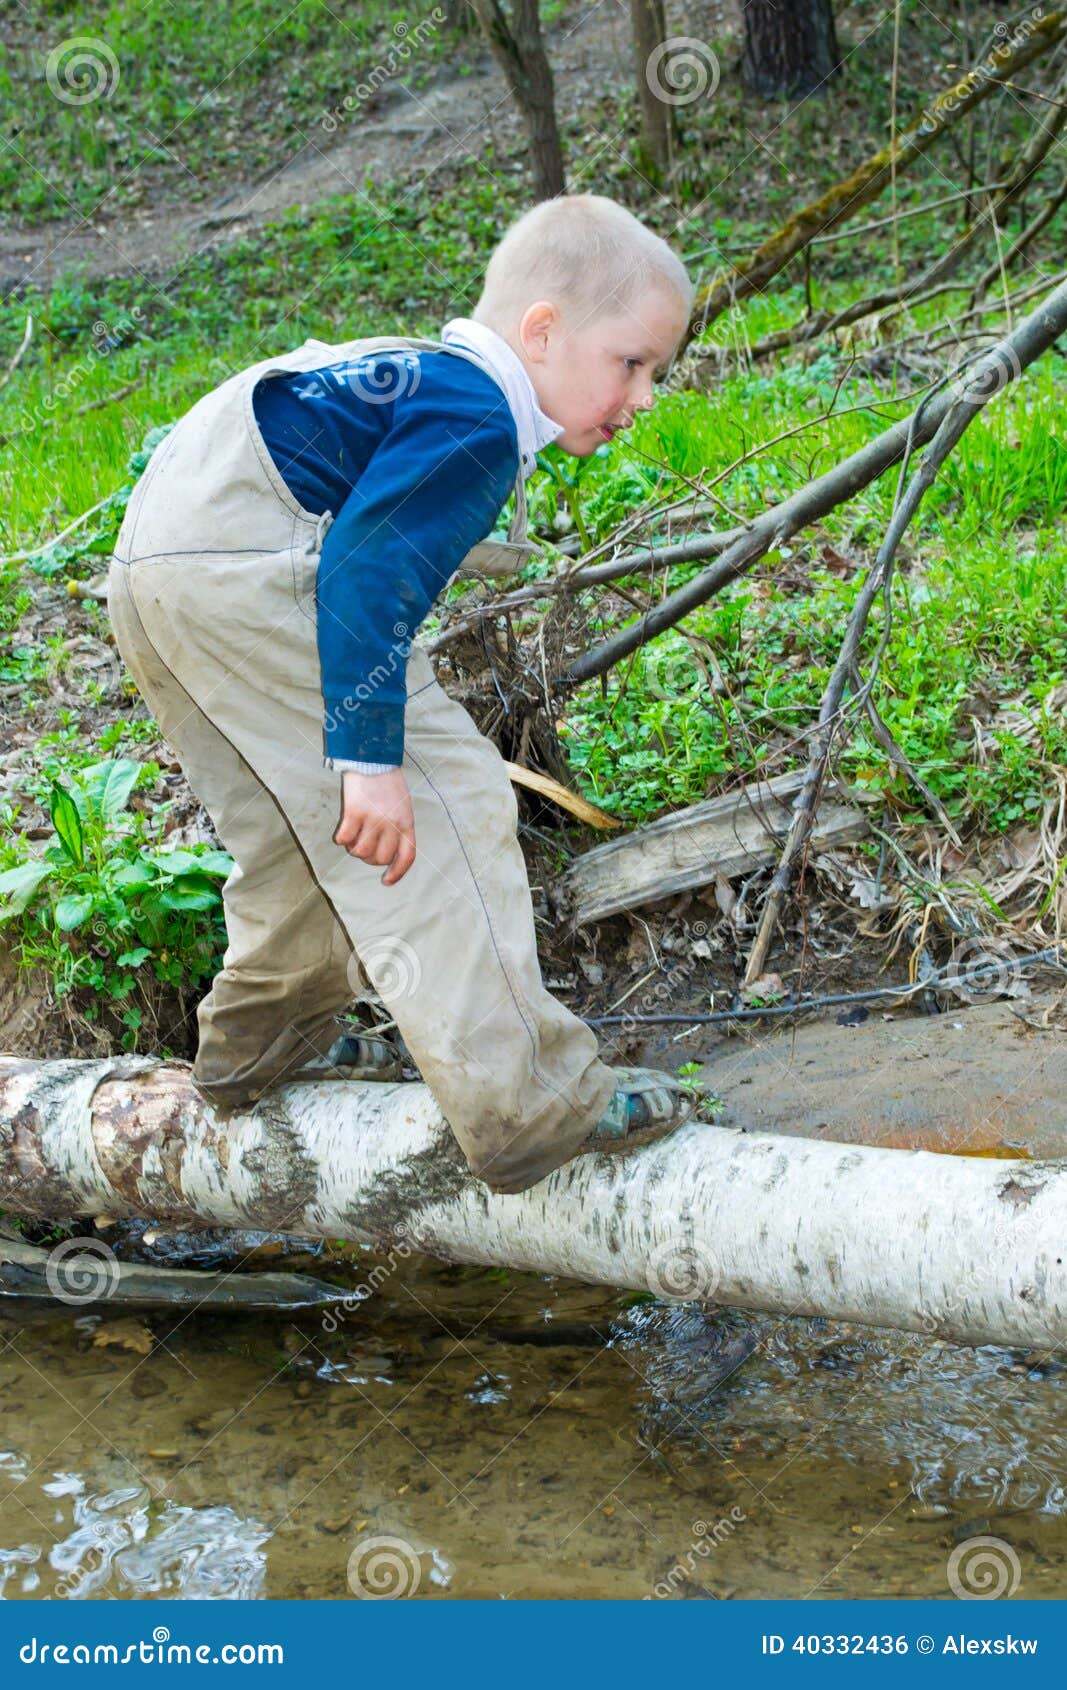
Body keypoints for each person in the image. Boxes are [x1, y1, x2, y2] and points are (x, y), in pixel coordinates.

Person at [107, 192, 700, 1196]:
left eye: (656, 373)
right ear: (541, 331)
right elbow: (364, 573)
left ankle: (259, 1048)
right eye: (630, 363)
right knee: (448, 800)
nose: (642, 396)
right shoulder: (473, 407)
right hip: (251, 564)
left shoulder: (421, 378)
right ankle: (529, 1106)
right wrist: (370, 756)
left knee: (298, 833)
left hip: (156, 563)